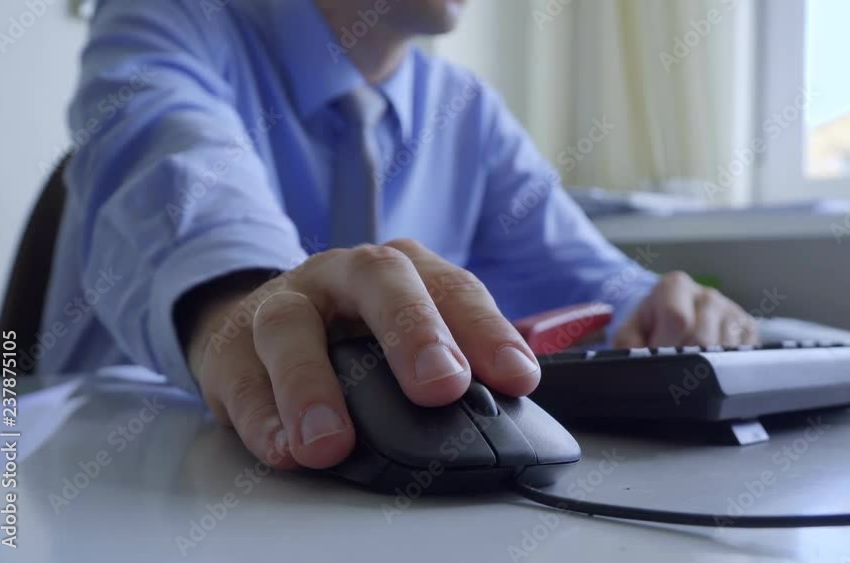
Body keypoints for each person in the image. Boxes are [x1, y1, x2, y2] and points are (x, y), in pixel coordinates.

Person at [40, 0, 756, 470]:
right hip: (104, 485)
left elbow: (598, 289)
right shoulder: (164, 20)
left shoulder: (466, 113)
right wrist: (247, 308)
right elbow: (177, 172)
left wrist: (668, 310)